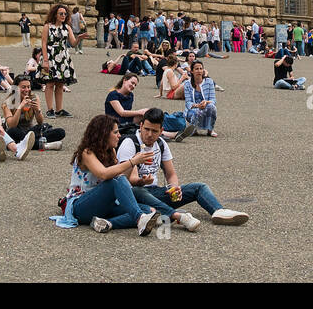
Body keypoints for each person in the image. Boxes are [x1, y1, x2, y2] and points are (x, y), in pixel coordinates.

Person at [117, 108, 249, 229]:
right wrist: (142, 181)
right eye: (146, 129)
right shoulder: (130, 143)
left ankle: (218, 211)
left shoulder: (161, 144)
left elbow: (171, 174)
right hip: (134, 195)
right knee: (140, 192)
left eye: (154, 131)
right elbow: (127, 179)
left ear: (161, 131)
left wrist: (174, 187)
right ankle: (170, 214)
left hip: (155, 192)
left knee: (199, 187)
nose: (149, 134)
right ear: (141, 126)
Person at [53, 115, 155, 233]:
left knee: (149, 210)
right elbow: (104, 174)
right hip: (80, 207)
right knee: (113, 183)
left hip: (103, 206)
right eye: (116, 132)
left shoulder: (110, 150)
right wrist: (132, 162)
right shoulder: (87, 152)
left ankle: (106, 223)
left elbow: (123, 180)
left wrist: (136, 168)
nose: (119, 136)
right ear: (104, 134)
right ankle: (139, 219)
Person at [2, 74, 64, 151]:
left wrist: (37, 110)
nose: (27, 90)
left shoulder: (34, 98)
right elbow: (11, 125)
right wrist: (20, 107)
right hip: (16, 132)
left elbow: (40, 122)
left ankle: (29, 143)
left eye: (28, 87)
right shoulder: (8, 103)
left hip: (30, 132)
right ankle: (44, 145)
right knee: (12, 131)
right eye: (23, 87)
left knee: (60, 132)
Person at [40, 3, 76, 118]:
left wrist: (79, 38)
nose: (63, 15)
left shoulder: (67, 27)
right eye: (61, 13)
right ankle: (50, 109)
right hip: (50, 56)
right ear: (55, 15)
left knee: (60, 84)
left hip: (63, 57)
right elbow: (44, 44)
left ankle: (59, 109)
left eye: (65, 14)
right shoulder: (47, 26)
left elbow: (73, 43)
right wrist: (45, 60)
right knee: (49, 83)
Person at [179, 59, 218, 140]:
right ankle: (193, 129)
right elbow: (188, 103)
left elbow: (213, 100)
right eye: (196, 69)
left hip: (206, 107)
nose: (199, 71)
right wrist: (197, 105)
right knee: (195, 112)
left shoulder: (209, 82)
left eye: (201, 68)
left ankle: (210, 130)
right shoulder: (187, 84)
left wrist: (206, 102)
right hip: (193, 110)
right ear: (192, 71)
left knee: (212, 107)